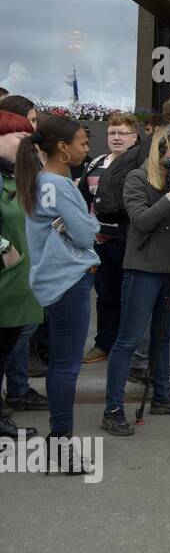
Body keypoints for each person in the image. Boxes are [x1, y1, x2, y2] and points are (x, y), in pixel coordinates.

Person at [100, 127, 170, 436]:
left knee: (163, 336)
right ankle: (113, 408)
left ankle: (161, 395)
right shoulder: (137, 178)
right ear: (160, 152)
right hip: (143, 268)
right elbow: (141, 221)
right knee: (129, 339)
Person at [15, 115, 98, 472]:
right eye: (81, 142)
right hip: (68, 280)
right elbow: (86, 234)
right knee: (66, 367)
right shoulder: (60, 185)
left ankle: (58, 438)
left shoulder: (39, 180)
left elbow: (77, 228)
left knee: (58, 366)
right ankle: (61, 444)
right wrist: (82, 223)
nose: (86, 148)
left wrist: (77, 224)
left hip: (50, 280)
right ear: (62, 148)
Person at [78, 112, 140, 363]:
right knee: (105, 296)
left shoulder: (141, 165)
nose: (116, 138)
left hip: (131, 243)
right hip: (100, 242)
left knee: (131, 299)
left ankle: (128, 350)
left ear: (134, 137)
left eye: (122, 133)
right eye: (112, 133)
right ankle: (104, 344)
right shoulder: (95, 165)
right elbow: (84, 200)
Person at [0, 110, 42, 440]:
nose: (25, 142)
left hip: (18, 285)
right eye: (18, 136)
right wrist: (4, 248)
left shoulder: (19, 175)